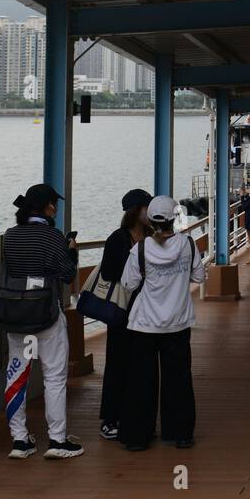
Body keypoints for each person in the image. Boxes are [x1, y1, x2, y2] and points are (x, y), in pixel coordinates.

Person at [119, 195, 207, 451]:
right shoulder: (188, 245)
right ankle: (180, 434)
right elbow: (200, 277)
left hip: (144, 325)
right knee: (178, 380)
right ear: (174, 218)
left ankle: (138, 436)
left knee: (141, 381)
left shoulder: (141, 249)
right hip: (178, 324)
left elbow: (128, 283)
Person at [1, 183, 83, 459]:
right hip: (47, 316)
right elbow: (68, 274)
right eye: (54, 204)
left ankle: (20, 441)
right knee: (54, 377)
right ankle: (58, 441)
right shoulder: (53, 237)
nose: (56, 208)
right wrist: (71, 249)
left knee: (16, 378)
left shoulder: (10, 237)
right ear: (49, 206)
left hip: (16, 316)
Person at [97, 188, 151, 441]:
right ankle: (110, 418)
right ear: (136, 211)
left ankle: (133, 415)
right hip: (122, 311)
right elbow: (108, 273)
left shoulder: (153, 237)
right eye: (146, 207)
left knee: (140, 365)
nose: (150, 212)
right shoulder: (117, 239)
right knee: (117, 362)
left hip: (147, 312)